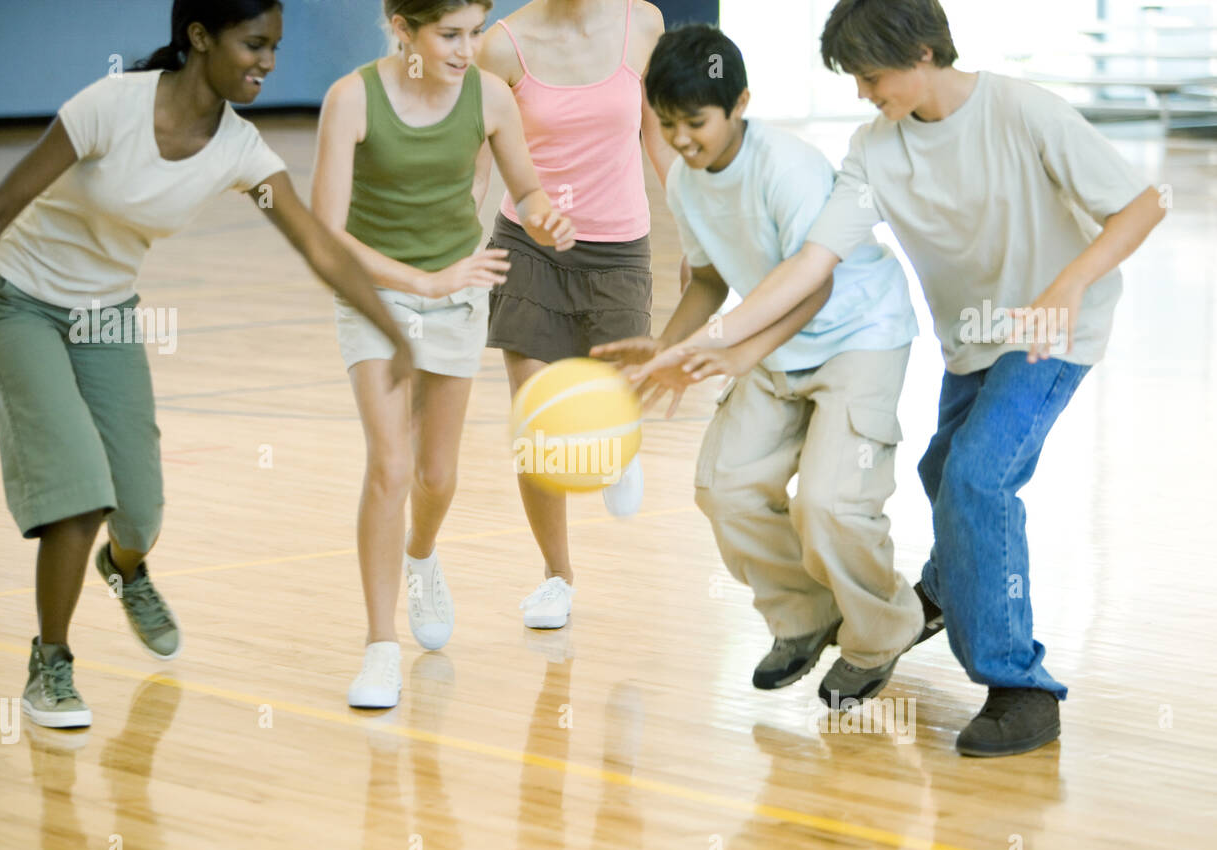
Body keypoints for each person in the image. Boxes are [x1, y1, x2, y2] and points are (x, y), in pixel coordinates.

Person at [633, 0, 1167, 756]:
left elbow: (1144, 204)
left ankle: (1020, 684)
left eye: (870, 73)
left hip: (1053, 331)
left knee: (977, 480)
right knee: (944, 470)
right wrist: (701, 344)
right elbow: (814, 263)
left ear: (923, 53)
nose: (861, 91)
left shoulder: (1021, 110)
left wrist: (1067, 285)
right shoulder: (872, 151)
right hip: (973, 338)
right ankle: (945, 587)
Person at [0, 0, 413, 728]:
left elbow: (316, 243)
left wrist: (390, 326)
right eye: (254, 44)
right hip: (19, 298)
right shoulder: (108, 108)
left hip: (106, 311)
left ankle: (125, 567)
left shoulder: (242, 150)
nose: (268, 63)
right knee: (81, 493)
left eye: (275, 47)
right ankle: (49, 664)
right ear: (200, 38)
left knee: (138, 511)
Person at [595, 25, 924, 700]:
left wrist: (725, 345)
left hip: (857, 332)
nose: (683, 140)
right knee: (724, 486)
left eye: (696, 123)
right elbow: (711, 279)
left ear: (739, 102)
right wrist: (665, 348)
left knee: (831, 505)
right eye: (667, 124)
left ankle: (881, 631)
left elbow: (817, 283)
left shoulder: (788, 167)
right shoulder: (686, 182)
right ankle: (807, 615)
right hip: (771, 336)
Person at [310, 0, 575, 708]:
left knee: (436, 474)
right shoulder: (350, 100)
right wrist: (420, 281)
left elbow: (526, 188)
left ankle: (421, 555)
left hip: (458, 292)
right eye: (448, 34)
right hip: (377, 294)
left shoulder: (488, 96)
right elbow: (324, 235)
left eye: (475, 33)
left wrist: (547, 215)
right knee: (390, 464)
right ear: (403, 28)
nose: (466, 49)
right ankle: (379, 646)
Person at [475, 0, 672, 630]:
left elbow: (658, 135)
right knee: (536, 415)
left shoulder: (642, 23)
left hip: (619, 250)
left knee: (613, 397)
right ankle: (556, 576)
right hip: (529, 244)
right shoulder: (501, 46)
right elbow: (478, 164)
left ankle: (617, 444)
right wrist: (446, 256)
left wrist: (701, 225)